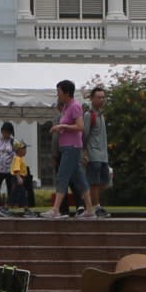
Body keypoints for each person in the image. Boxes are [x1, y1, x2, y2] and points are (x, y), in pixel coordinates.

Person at [50, 80, 91, 219]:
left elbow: (80, 126)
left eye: (59, 92)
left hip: (72, 147)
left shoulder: (75, 106)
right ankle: (89, 209)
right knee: (79, 178)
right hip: (67, 147)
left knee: (62, 176)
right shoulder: (66, 107)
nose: (58, 94)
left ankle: (56, 209)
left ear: (67, 93)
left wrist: (62, 127)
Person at [83, 98, 112, 219]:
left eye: (103, 97)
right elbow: (84, 134)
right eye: (99, 97)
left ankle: (90, 204)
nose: (102, 100)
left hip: (103, 155)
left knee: (104, 181)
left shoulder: (102, 115)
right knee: (94, 182)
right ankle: (95, 206)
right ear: (92, 99)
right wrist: (84, 152)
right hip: (93, 154)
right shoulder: (89, 115)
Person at [0, 123, 19, 217]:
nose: (5, 134)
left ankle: (6, 208)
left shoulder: (13, 142)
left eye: (7, 132)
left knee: (11, 189)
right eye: (4, 132)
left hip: (10, 169)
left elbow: (18, 154)